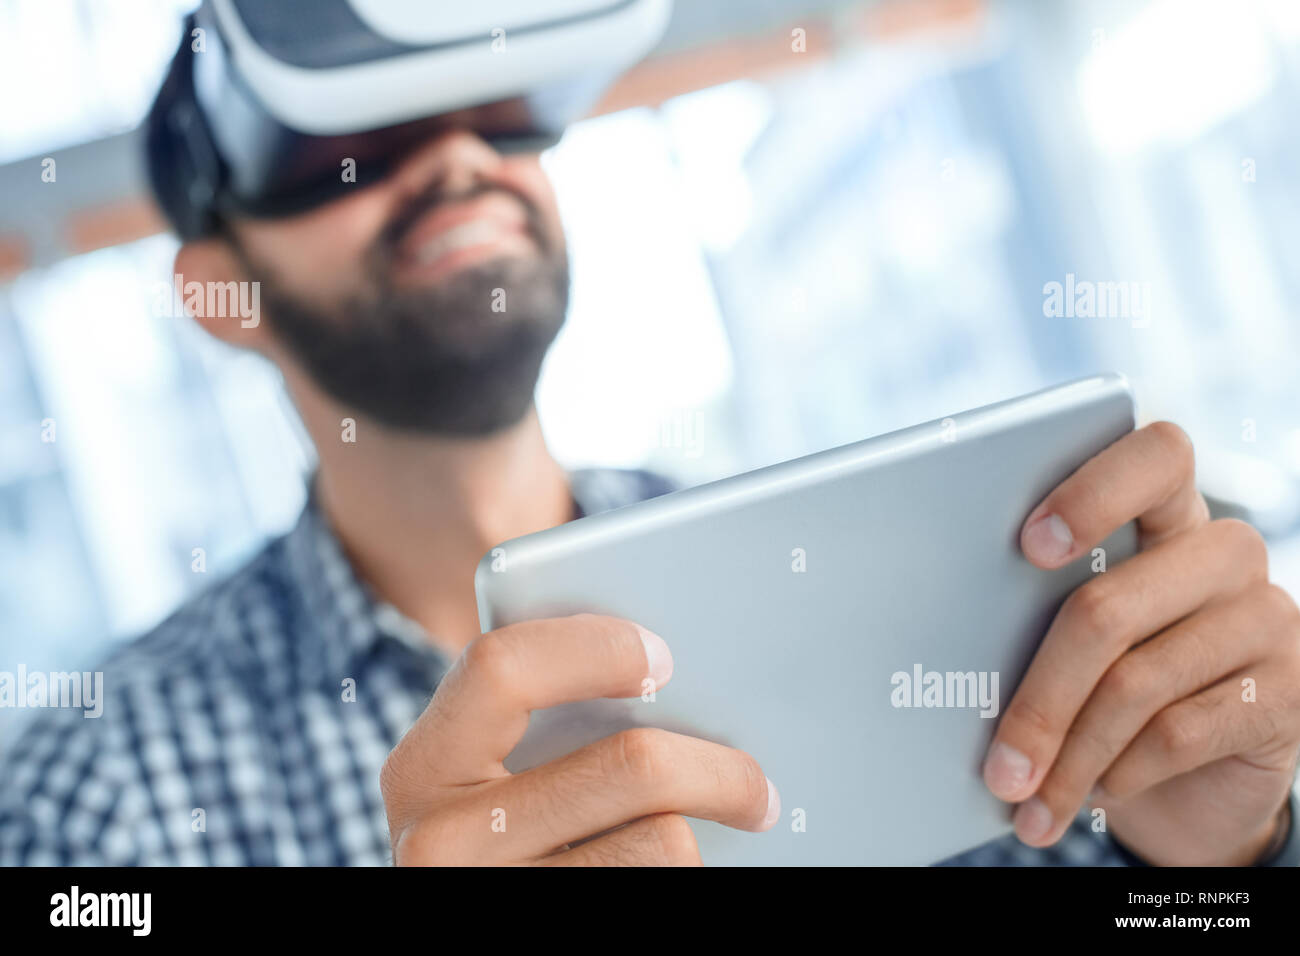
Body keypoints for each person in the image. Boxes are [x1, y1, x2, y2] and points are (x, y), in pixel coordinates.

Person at [2, 28, 1298, 870]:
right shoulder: (91, 808)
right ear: (218, 292)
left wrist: (1218, 856)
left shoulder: (856, 591)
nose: (455, 159)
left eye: (494, 108)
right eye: (350, 151)